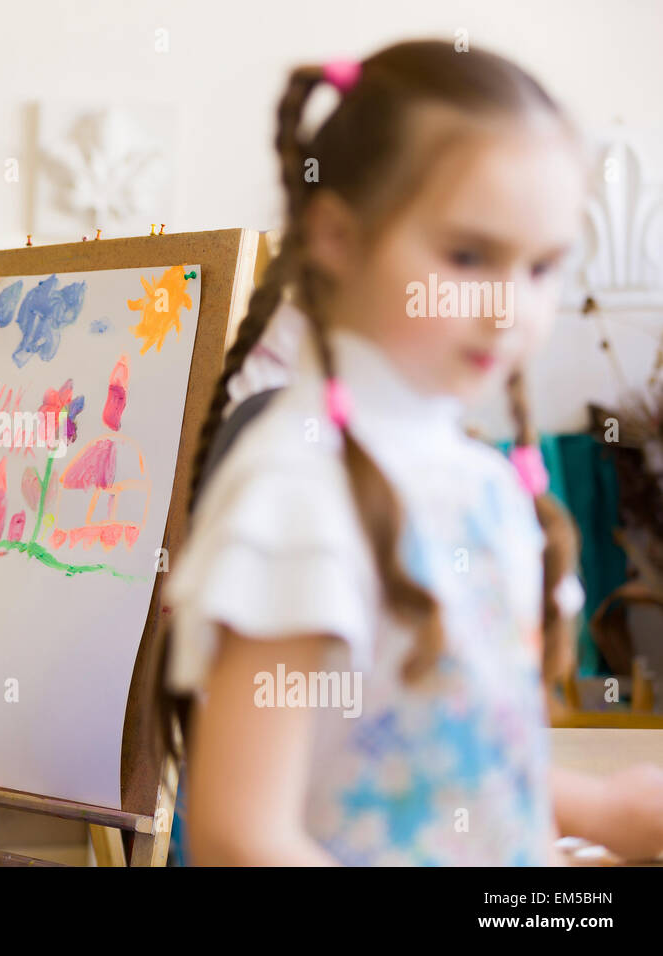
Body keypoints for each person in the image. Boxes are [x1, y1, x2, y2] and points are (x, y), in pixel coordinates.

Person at [160, 40, 663, 865]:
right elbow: (238, 835)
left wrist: (599, 812)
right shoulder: (299, 493)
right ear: (335, 235)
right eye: (469, 257)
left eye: (541, 267)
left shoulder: (478, 479)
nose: (510, 308)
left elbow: (451, 762)